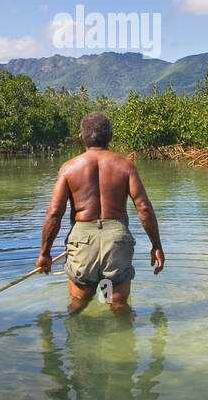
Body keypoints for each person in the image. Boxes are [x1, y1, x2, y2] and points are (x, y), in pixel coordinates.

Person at [37, 112, 163, 312]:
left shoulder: (69, 168)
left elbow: (54, 213)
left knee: (78, 304)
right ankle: (120, 340)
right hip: (116, 239)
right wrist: (156, 245)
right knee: (118, 305)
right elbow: (144, 208)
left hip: (82, 240)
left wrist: (45, 253)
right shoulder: (125, 166)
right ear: (110, 136)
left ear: (81, 137)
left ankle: (78, 338)